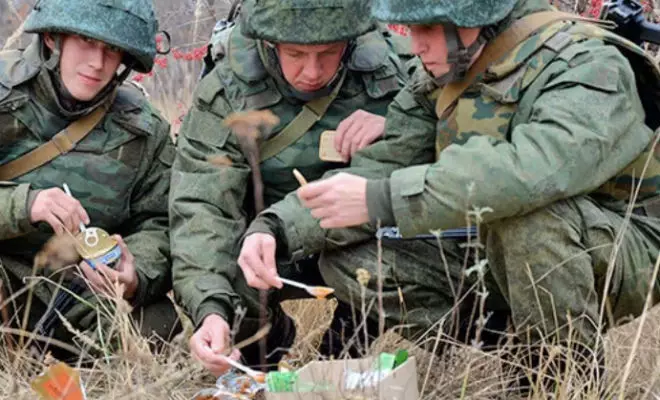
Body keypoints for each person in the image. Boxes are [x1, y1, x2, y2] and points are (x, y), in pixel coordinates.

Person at [237, 0, 660, 390]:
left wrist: (382, 198)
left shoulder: (587, 65)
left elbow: (531, 173)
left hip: (623, 243)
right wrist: (276, 229)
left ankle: (561, 383)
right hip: (501, 243)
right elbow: (383, 164)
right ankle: (519, 345)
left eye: (426, 28)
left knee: (529, 221)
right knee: (353, 263)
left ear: (472, 19)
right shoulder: (447, 71)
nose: (414, 45)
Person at [170, 0, 408, 376]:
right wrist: (211, 310)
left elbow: (454, 156)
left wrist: (397, 129)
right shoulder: (227, 91)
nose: (312, 72)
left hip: (357, 242)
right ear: (268, 43)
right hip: (258, 249)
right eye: (295, 54)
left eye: (328, 53)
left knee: (391, 264)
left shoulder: (393, 71)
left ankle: (345, 352)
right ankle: (266, 344)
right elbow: (202, 209)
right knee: (227, 291)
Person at [0, 0, 180, 358]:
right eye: (85, 41)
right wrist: (24, 204)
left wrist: (135, 272)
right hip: (6, 278)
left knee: (158, 327)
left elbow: (162, 221)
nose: (97, 63)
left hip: (80, 292)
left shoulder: (141, 130)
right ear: (53, 38)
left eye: (112, 49)